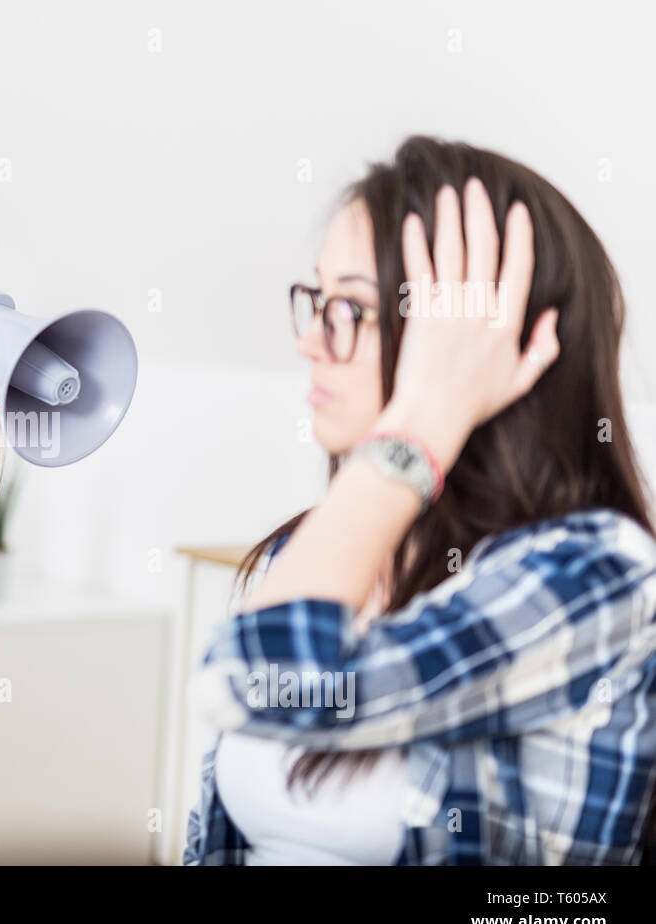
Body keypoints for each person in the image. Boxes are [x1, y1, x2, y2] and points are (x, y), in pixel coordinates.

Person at [184, 135, 656, 865]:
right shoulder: (318, 548)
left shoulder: (596, 572)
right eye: (317, 299)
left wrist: (421, 423)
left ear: (479, 338)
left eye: (352, 309)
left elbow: (253, 680)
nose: (311, 340)